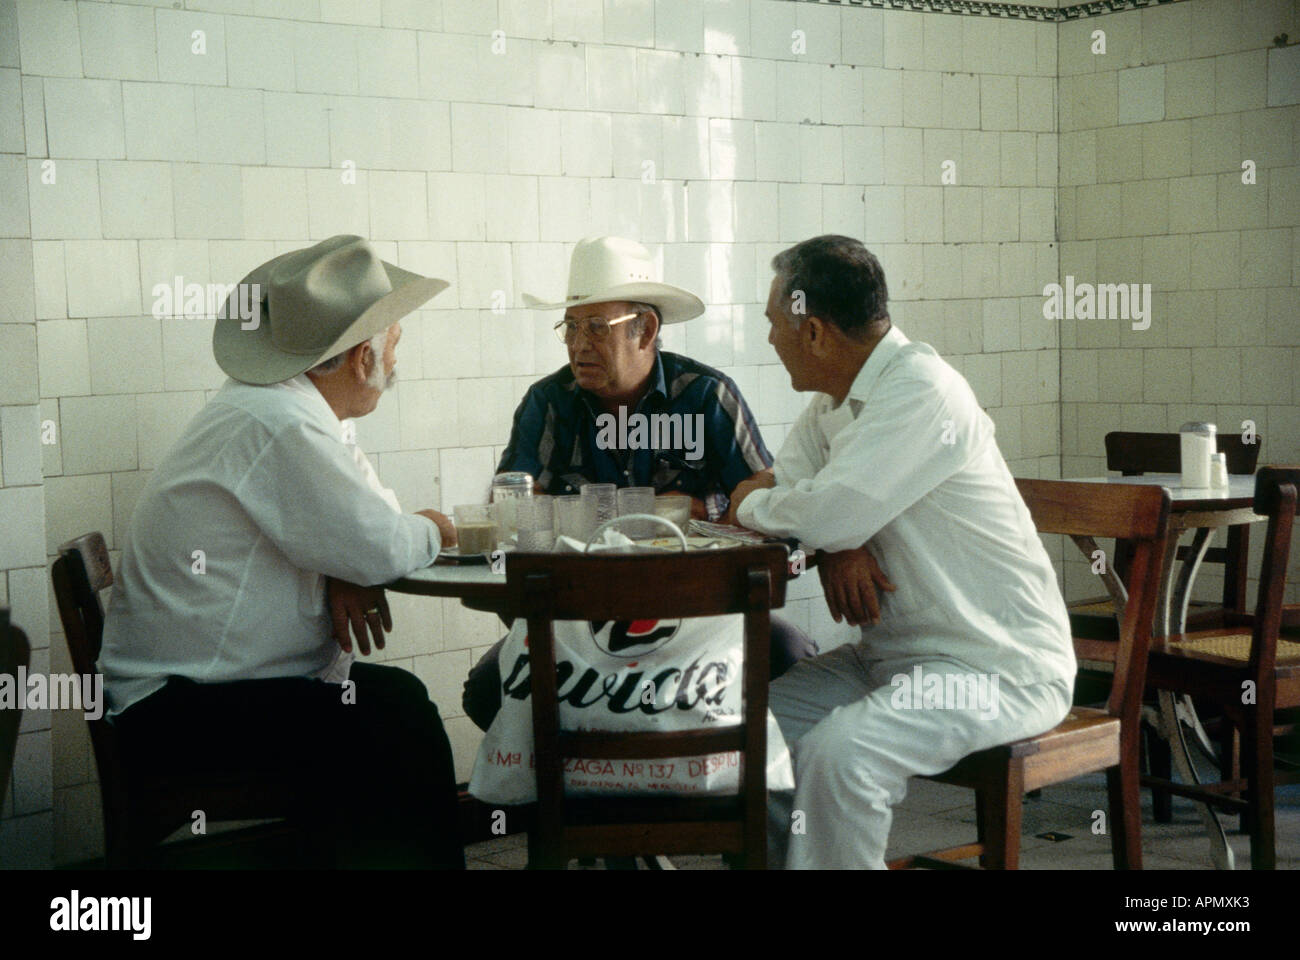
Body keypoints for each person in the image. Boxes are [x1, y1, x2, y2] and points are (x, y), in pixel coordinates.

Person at [99, 235, 464, 868]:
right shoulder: (280, 422)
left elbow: (361, 529)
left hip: (195, 696)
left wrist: (341, 564)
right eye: (394, 341)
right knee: (397, 716)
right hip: (178, 713)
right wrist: (437, 524)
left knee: (385, 711)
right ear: (360, 357)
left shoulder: (293, 411)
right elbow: (382, 542)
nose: (398, 356)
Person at [726, 235, 1075, 869]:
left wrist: (749, 506)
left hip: (995, 669)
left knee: (842, 757)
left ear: (814, 333)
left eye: (775, 324)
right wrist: (836, 542)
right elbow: (808, 499)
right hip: (892, 660)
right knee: (747, 731)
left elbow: (821, 509)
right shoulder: (831, 402)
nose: (769, 339)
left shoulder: (923, 389)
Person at [462, 236, 817, 731]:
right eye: (570, 326)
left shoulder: (707, 397)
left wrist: (704, 508)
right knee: (487, 694)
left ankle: (725, 795)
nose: (577, 344)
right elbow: (511, 507)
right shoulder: (548, 404)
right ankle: (588, 797)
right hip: (576, 627)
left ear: (645, 329)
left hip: (701, 622)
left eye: (594, 328)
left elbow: (770, 500)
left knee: (791, 659)